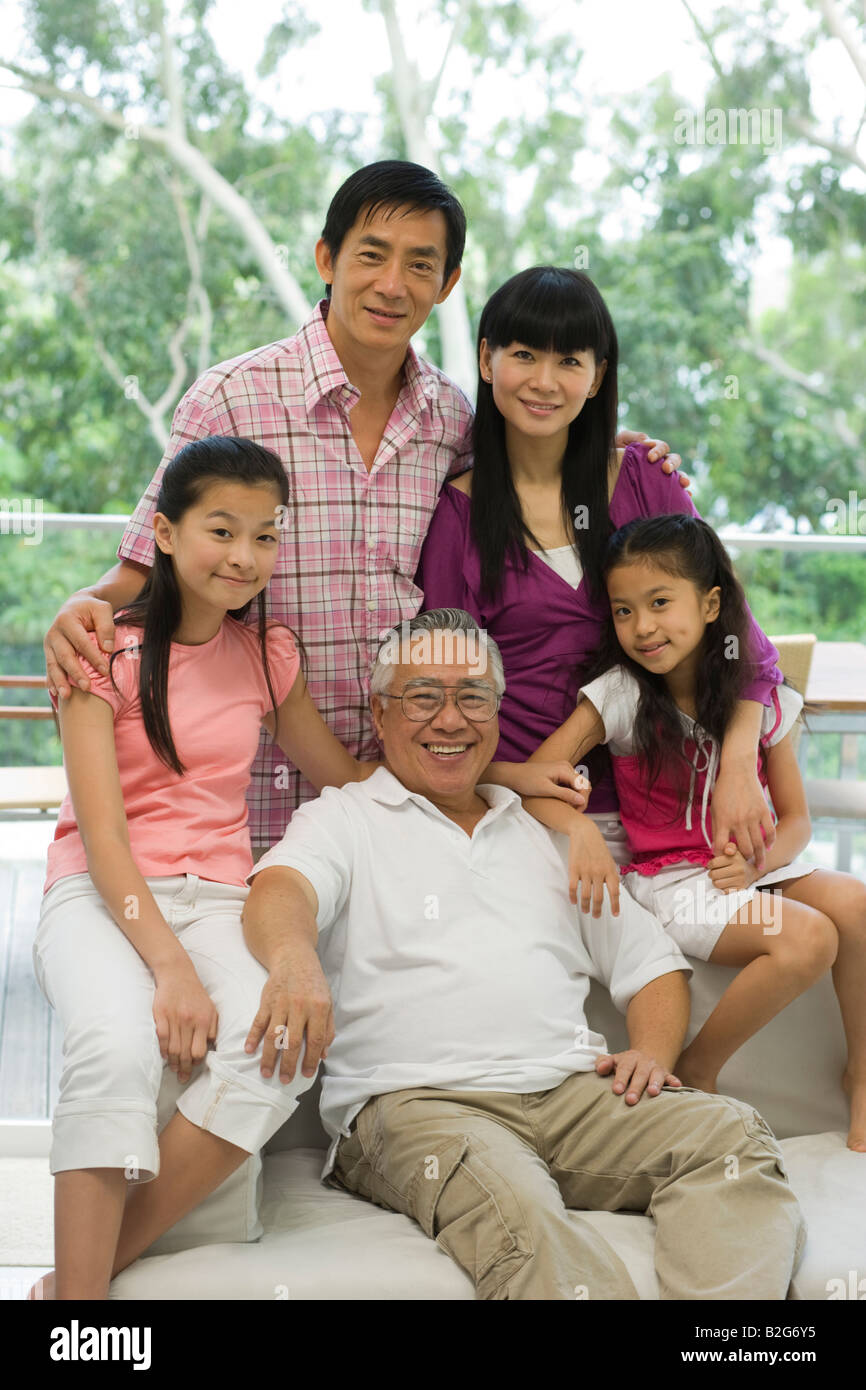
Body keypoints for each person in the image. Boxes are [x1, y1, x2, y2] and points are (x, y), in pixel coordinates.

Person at [31, 436, 586, 1301]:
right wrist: (172, 973)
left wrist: (505, 775)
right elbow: (103, 840)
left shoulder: (266, 655)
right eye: (222, 530)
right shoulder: (97, 655)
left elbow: (356, 773)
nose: (245, 557)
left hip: (216, 894)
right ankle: (81, 1312)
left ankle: (89, 1273)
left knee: (276, 1051)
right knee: (112, 1046)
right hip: (103, 896)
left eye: (265, 536)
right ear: (165, 535)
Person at [42, 163, 683, 854]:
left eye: (420, 264)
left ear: (448, 284)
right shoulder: (233, 398)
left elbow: (526, 455)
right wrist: (80, 604)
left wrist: (606, 439)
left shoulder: (449, 421)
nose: (391, 284)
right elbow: (146, 571)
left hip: (397, 804)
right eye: (371, 255)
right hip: (245, 801)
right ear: (326, 258)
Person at [240, 607, 806, 1301]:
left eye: (473, 697)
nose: (451, 720)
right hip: (418, 1106)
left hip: (570, 1095)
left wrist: (652, 1056)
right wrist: (294, 960)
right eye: (423, 696)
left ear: (498, 713)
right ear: (380, 715)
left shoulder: (548, 831)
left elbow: (651, 962)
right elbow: (279, 890)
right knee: (520, 1214)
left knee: (732, 1138)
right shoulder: (344, 816)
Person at [415, 265, 782, 890]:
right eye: (524, 355)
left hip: (672, 809)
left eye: (569, 361)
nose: (544, 382)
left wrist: (739, 768)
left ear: (598, 376)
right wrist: (511, 779)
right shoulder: (456, 516)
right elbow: (446, 700)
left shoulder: (648, 479)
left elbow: (741, 642)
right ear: (485, 359)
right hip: (535, 804)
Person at [525, 513, 866, 1151]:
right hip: (674, 880)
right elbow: (543, 771)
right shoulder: (622, 693)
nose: (642, 626)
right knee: (806, 940)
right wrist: (578, 826)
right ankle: (700, 1066)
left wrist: (760, 870)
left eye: (660, 603)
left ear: (711, 605)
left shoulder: (761, 702)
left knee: (855, 901)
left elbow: (795, 822)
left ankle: (862, 1075)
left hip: (750, 873)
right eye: (624, 611)